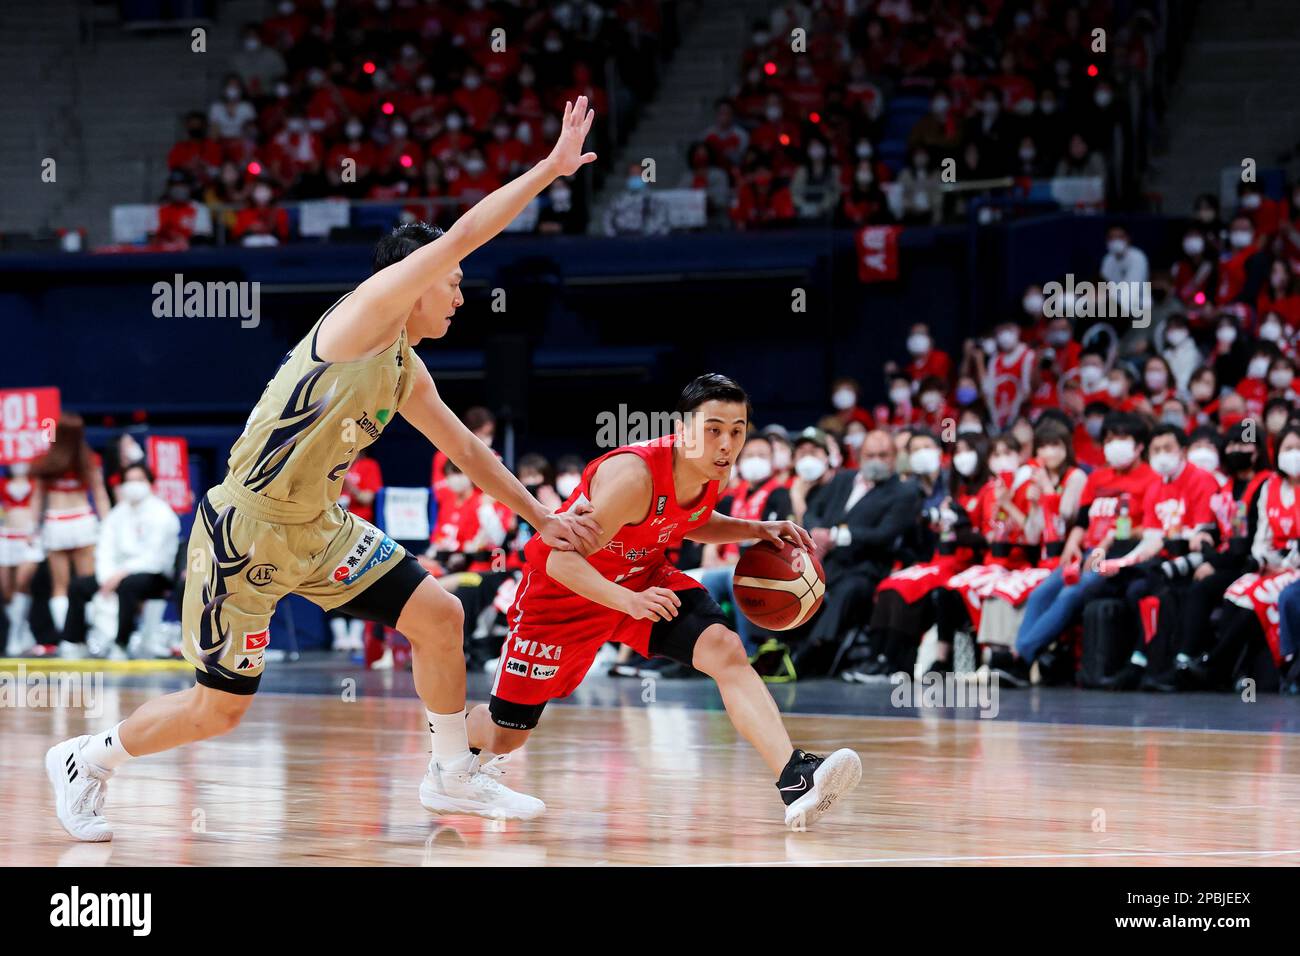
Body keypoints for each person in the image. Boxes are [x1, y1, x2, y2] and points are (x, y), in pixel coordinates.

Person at [46, 97, 605, 842]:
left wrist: (543, 518)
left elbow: (469, 453)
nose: (460, 294)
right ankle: (88, 759)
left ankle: (450, 774)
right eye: (452, 281)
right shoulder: (365, 314)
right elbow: (466, 231)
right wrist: (549, 170)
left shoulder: (405, 368)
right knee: (218, 709)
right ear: (413, 277)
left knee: (440, 614)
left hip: (320, 529)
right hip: (245, 533)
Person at [466, 375, 862, 828]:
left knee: (724, 649)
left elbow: (688, 519)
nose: (727, 444)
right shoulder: (633, 477)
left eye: (737, 431)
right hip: (563, 599)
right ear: (683, 430)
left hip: (642, 581)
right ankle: (453, 743)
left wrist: (755, 529)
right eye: (714, 429)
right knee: (506, 736)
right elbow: (559, 561)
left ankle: (795, 779)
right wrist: (625, 601)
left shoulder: (713, 471)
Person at [62, 463, 181, 659]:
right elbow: (105, 549)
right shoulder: (117, 514)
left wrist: (121, 574)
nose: (133, 485)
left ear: (150, 483)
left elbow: (156, 557)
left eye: (139, 480)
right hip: (114, 574)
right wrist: (106, 577)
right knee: (78, 586)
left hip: (153, 574)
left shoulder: (162, 513)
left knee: (128, 585)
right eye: (129, 480)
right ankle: (75, 642)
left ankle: (121, 644)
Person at [30, 413, 112, 654]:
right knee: (87, 584)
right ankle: (87, 637)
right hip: (82, 521)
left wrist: (32, 529)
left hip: (56, 523)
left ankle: (67, 639)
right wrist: (108, 525)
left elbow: (37, 499)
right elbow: (100, 495)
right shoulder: (88, 459)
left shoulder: (46, 461)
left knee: (60, 586)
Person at [1, 462, 42, 656]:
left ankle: (15, 635)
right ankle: (22, 631)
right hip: (6, 537)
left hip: (28, 538)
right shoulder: (3, 483)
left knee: (22, 583)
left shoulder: (37, 481)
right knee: (7, 591)